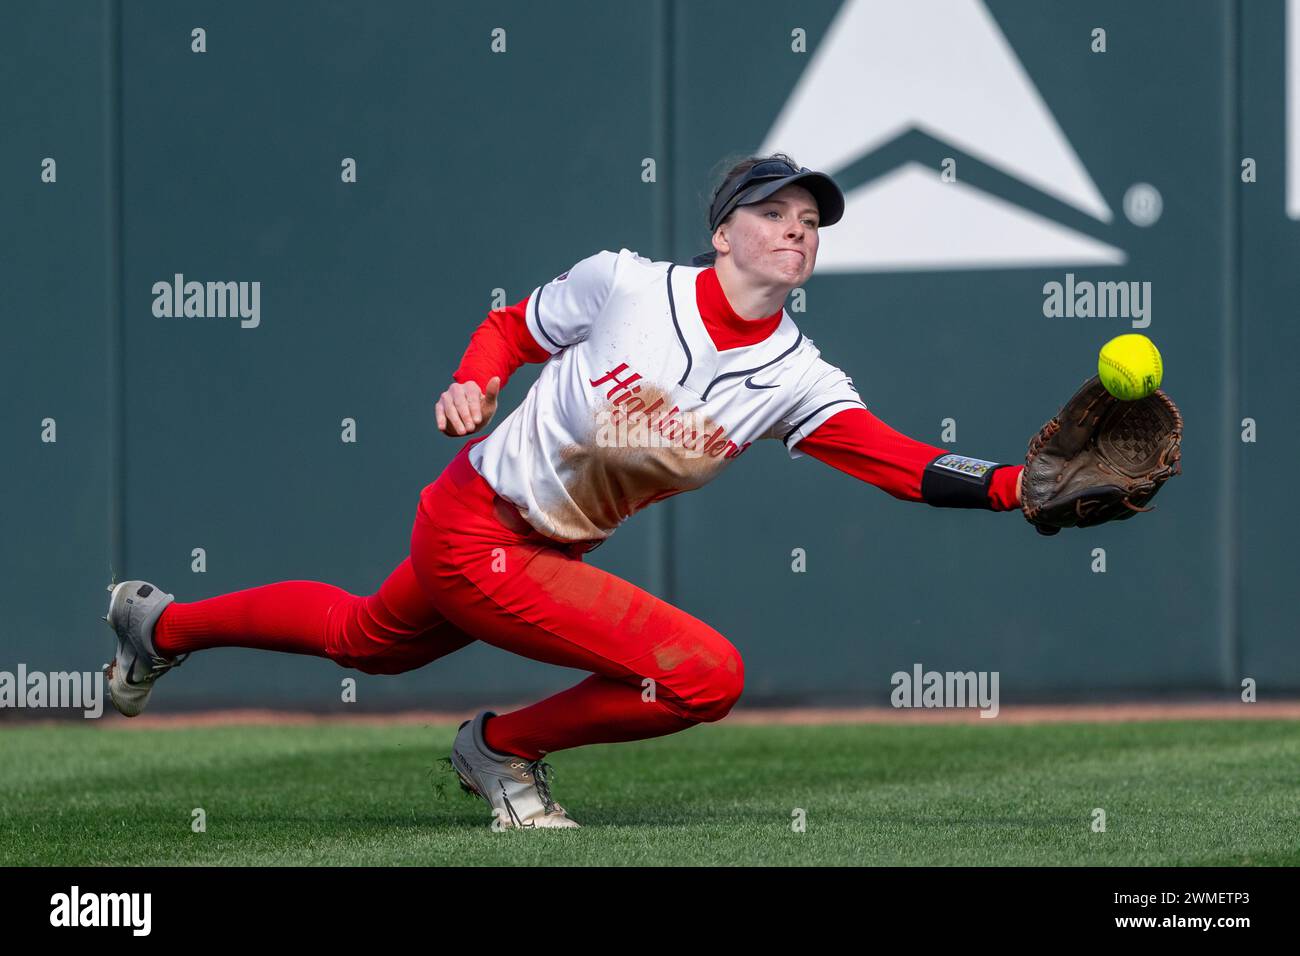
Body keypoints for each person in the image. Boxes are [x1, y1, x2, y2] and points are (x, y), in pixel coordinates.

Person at [102, 153, 1025, 830]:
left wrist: (1018, 487)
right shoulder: (628, 284)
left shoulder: (796, 376)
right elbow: (511, 326)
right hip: (477, 524)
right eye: (774, 211)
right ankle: (500, 750)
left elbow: (900, 461)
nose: (797, 228)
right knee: (707, 675)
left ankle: (160, 627)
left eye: (811, 220)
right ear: (722, 231)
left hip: (544, 548)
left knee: (365, 643)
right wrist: (476, 379)